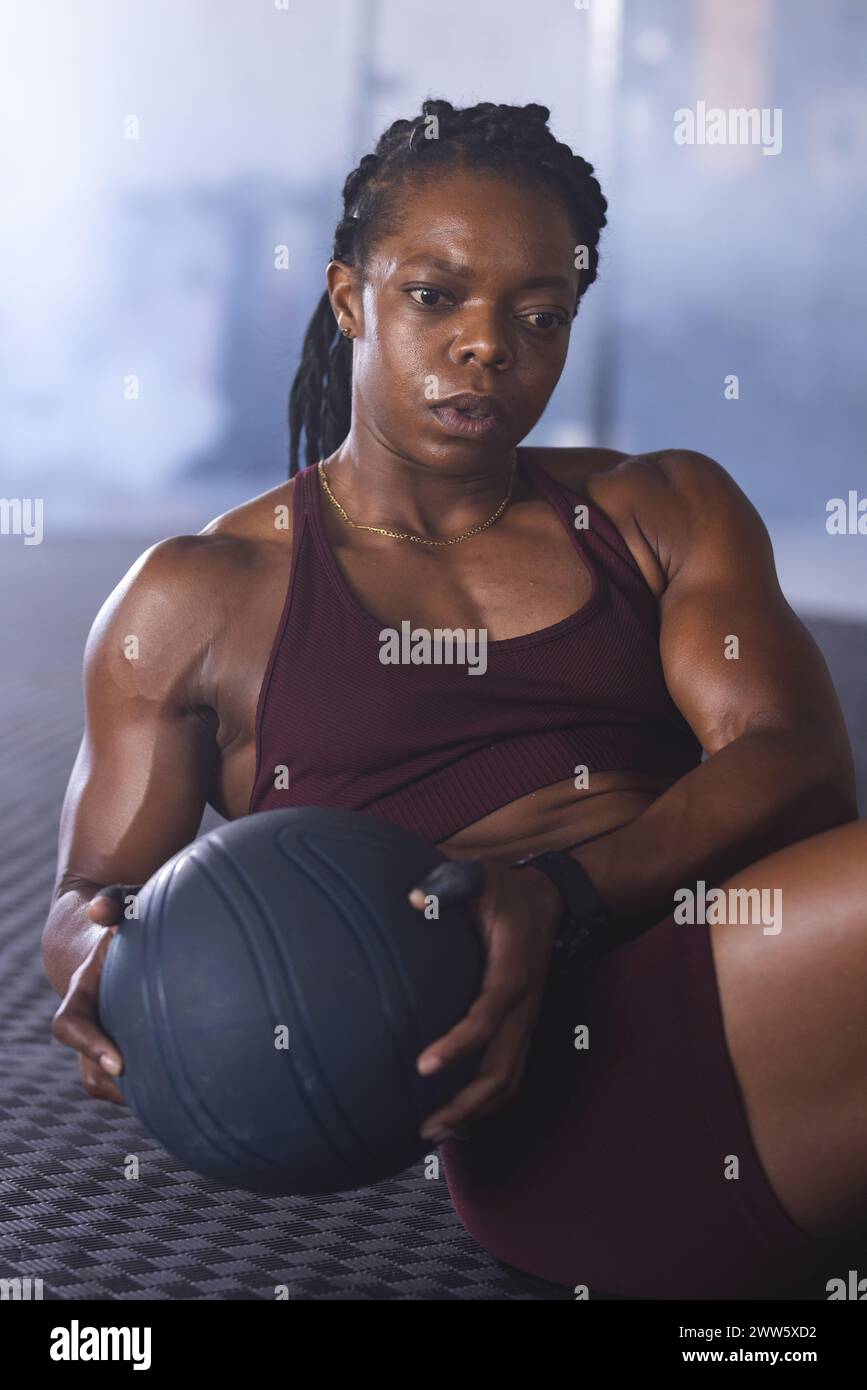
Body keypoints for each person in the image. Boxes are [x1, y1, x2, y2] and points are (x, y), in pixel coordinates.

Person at [44, 98, 865, 1299]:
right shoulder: (199, 596)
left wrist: (564, 894)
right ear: (347, 300)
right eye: (435, 297)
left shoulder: (662, 509)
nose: (489, 345)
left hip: (771, 977)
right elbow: (87, 896)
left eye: (540, 317)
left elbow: (795, 759)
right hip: (557, 1106)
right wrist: (100, 955)